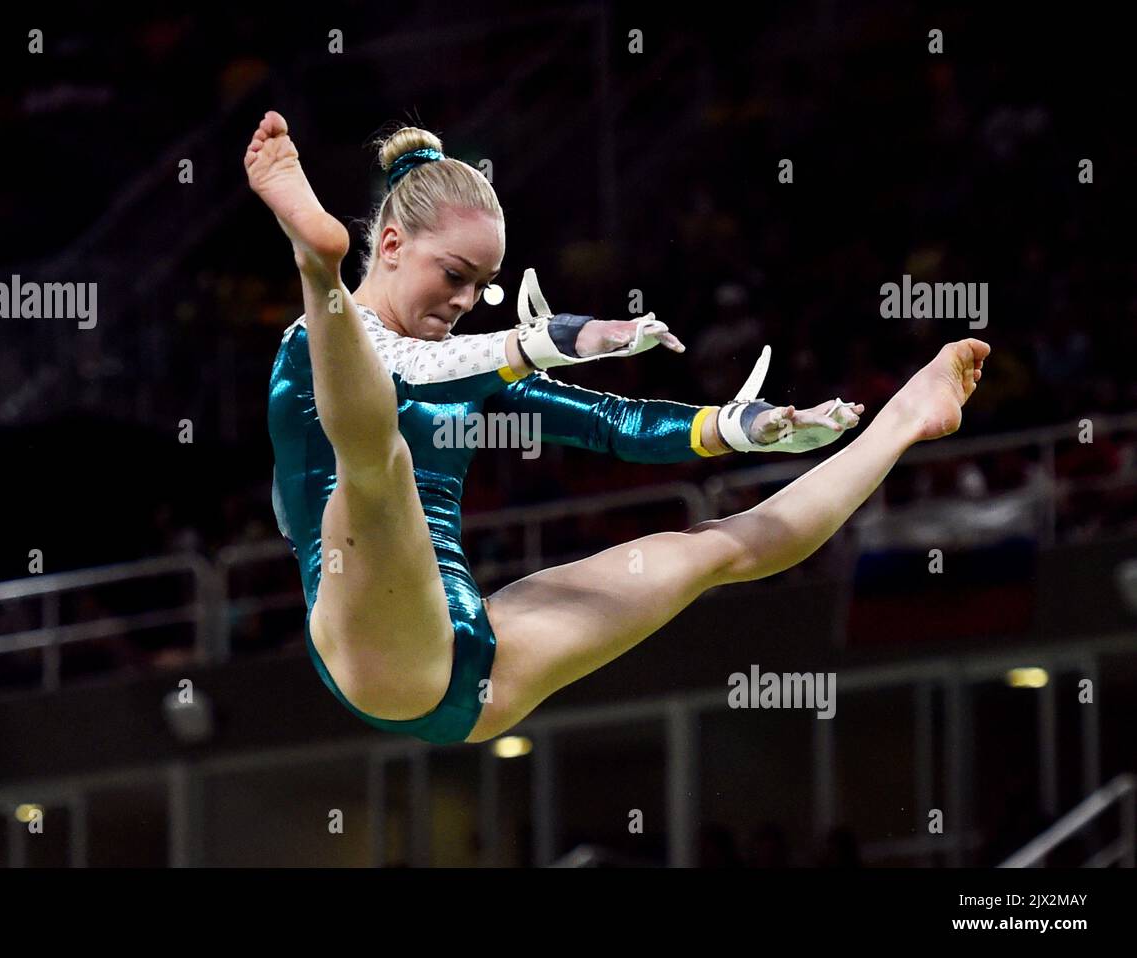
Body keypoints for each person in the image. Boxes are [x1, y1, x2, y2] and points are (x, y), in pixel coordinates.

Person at [251, 111, 988, 745]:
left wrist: (737, 426)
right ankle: (314, 264)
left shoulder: (465, 369)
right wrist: (547, 340)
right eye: (454, 276)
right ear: (387, 246)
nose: (469, 300)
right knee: (378, 466)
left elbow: (611, 423)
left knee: (720, 551)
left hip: (479, 667)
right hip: (371, 643)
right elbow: (400, 370)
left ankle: (907, 417)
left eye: (483, 284)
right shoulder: (312, 350)